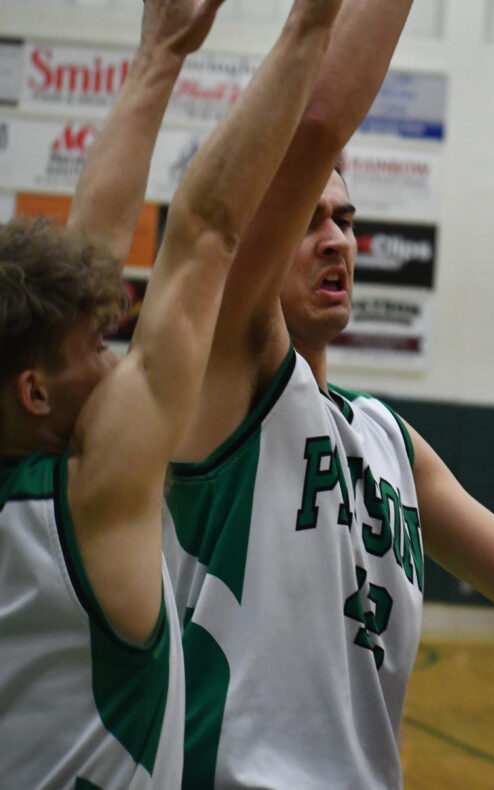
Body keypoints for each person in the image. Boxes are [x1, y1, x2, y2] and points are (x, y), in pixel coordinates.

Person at [153, 1, 494, 787]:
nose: (337, 240)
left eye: (346, 220)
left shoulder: (387, 439)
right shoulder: (225, 386)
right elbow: (315, 124)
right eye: (308, 218)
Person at [0, 0, 339, 784]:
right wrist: (310, 25)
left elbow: (83, 257)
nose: (117, 362)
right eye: (97, 349)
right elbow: (209, 231)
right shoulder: (88, 502)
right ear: (35, 394)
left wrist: (160, 55)